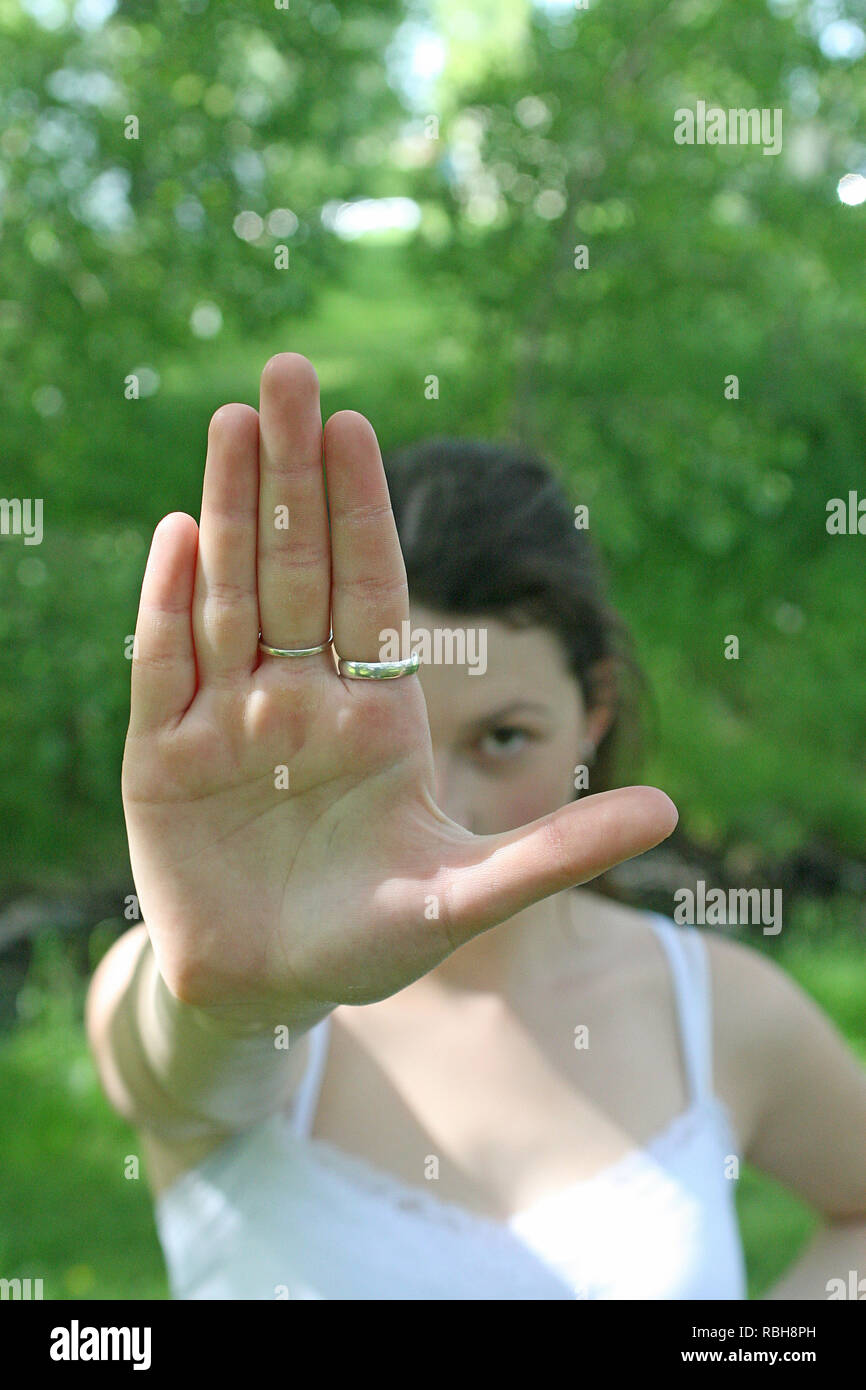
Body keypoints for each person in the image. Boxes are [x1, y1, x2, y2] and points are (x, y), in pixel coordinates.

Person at [87, 353, 866, 1300]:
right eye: (397, 750)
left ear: (597, 710)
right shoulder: (229, 998)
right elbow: (179, 1066)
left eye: (503, 737)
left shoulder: (716, 1008)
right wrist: (240, 1009)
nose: (442, 807)